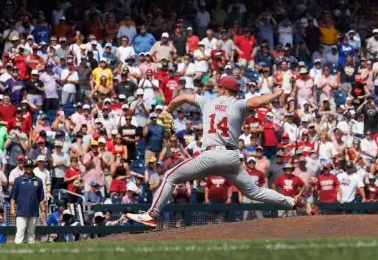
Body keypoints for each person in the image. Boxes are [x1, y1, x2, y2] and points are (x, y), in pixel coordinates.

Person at [126, 77, 307, 227]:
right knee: (254, 192)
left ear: (222, 89)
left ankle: (152, 215)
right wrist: (276, 93)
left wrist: (168, 110)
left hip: (210, 156)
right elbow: (258, 101)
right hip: (231, 158)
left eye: (219, 87)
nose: (217, 89)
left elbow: (181, 98)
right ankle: (292, 202)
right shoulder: (239, 103)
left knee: (170, 176)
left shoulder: (208, 101)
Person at [9, 159, 46, 244]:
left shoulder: (38, 181)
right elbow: (13, 197)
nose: (29, 168)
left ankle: (31, 253)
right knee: (20, 231)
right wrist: (12, 209)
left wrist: (43, 211)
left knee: (31, 232)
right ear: (24, 167)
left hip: (34, 211)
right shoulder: (18, 180)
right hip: (21, 211)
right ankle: (17, 250)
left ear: (33, 167)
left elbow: (41, 198)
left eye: (31, 166)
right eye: (27, 166)